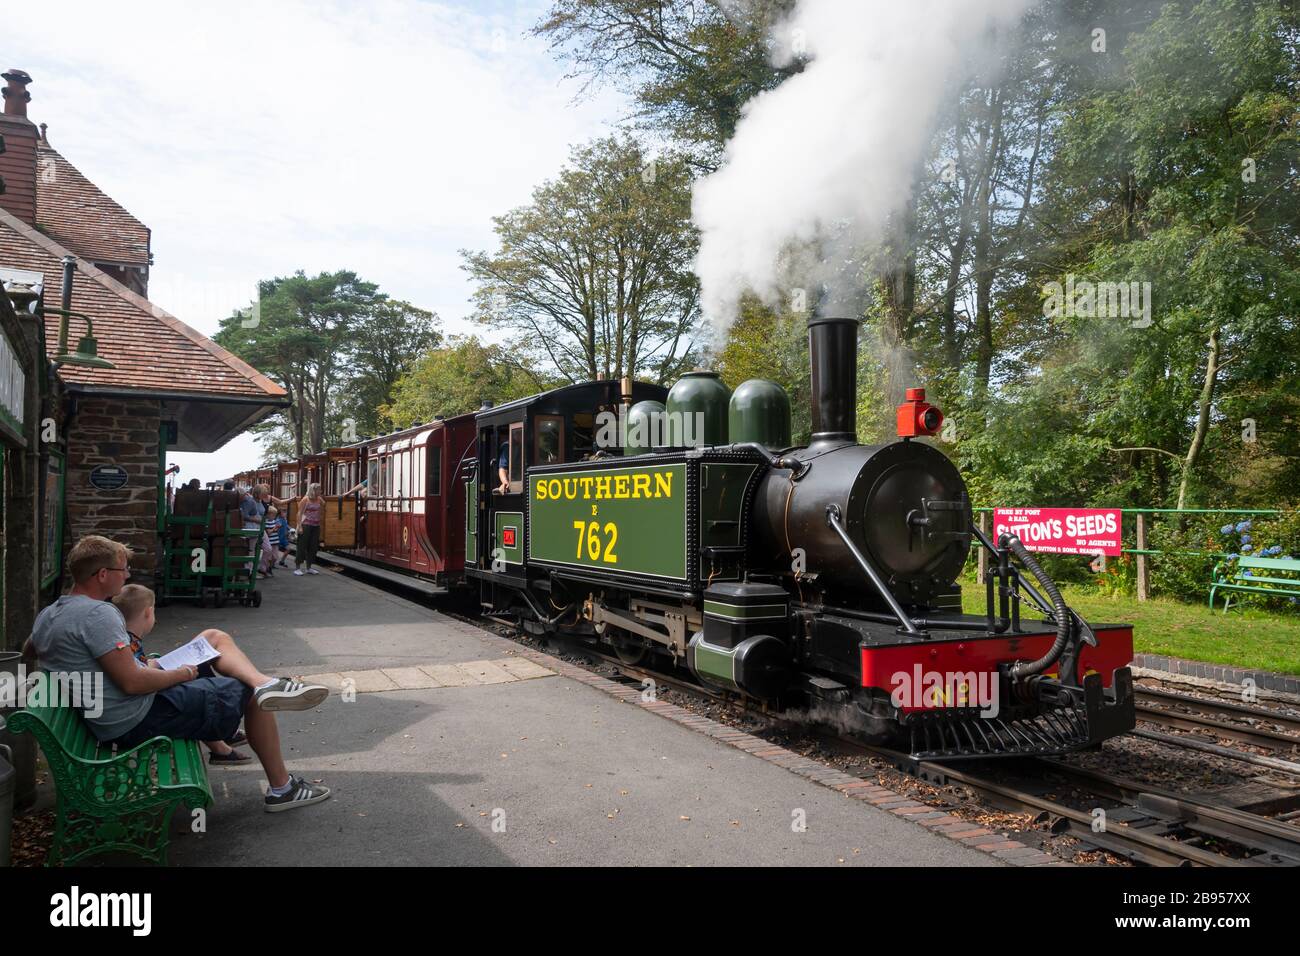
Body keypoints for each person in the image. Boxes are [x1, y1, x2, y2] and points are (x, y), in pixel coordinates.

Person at [29, 535, 331, 810]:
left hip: (116, 712)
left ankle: (264, 683)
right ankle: (283, 789)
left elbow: (33, 649)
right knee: (247, 694)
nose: (128, 575)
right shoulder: (98, 614)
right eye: (123, 570)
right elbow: (132, 683)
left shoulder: (51, 613)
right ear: (103, 575)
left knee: (211, 638)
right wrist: (182, 674)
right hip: (135, 718)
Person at [111, 584, 250, 764]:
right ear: (148, 612)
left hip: (135, 707)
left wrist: (158, 665)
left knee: (199, 667)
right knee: (235, 687)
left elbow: (139, 666)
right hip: (141, 714)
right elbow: (139, 678)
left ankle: (220, 746)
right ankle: (223, 733)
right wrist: (180, 673)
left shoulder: (125, 637)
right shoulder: (127, 642)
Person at [295, 482, 323, 576]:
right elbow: (299, 513)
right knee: (302, 546)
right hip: (306, 525)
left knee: (313, 547)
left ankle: (309, 567)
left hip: (316, 525)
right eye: (319, 489)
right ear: (313, 490)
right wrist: (299, 526)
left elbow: (324, 505)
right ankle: (298, 568)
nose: (320, 491)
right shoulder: (305, 500)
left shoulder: (318, 499)